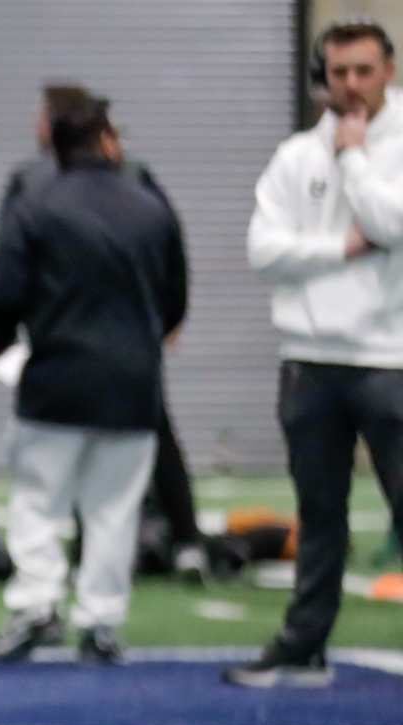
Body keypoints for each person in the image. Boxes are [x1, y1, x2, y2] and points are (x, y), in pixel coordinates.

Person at [0, 94, 188, 664]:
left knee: (39, 502)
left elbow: (7, 293)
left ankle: (36, 606)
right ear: (106, 140)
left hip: (56, 376)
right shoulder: (150, 205)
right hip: (133, 382)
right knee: (114, 510)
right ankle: (100, 621)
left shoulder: (34, 205)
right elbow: (175, 296)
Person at [228, 20, 403, 688]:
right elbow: (263, 251)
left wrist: (355, 160)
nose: (351, 85)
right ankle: (303, 645)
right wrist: (341, 249)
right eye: (338, 73)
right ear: (323, 77)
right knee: (319, 513)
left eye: (363, 71)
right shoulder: (296, 156)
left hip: (391, 358)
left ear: (388, 70)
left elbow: (390, 222)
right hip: (309, 360)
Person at [4, 83, 209, 580]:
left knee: (51, 477)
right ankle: (171, 548)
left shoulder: (39, 187)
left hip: (69, 347)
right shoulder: (131, 186)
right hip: (122, 345)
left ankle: (44, 591)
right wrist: (164, 320)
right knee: (124, 465)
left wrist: (4, 332)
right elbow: (175, 265)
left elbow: (10, 275)